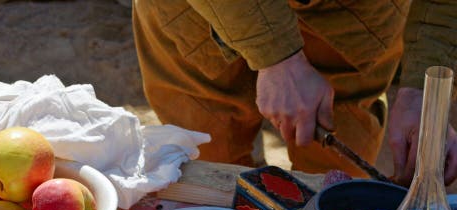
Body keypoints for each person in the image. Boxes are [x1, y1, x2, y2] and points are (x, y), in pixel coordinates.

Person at [132, 0, 457, 185]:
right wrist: (275, 54)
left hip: (356, 20)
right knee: (213, 169)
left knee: (334, 193)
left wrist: (425, 87)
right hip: (199, 14)